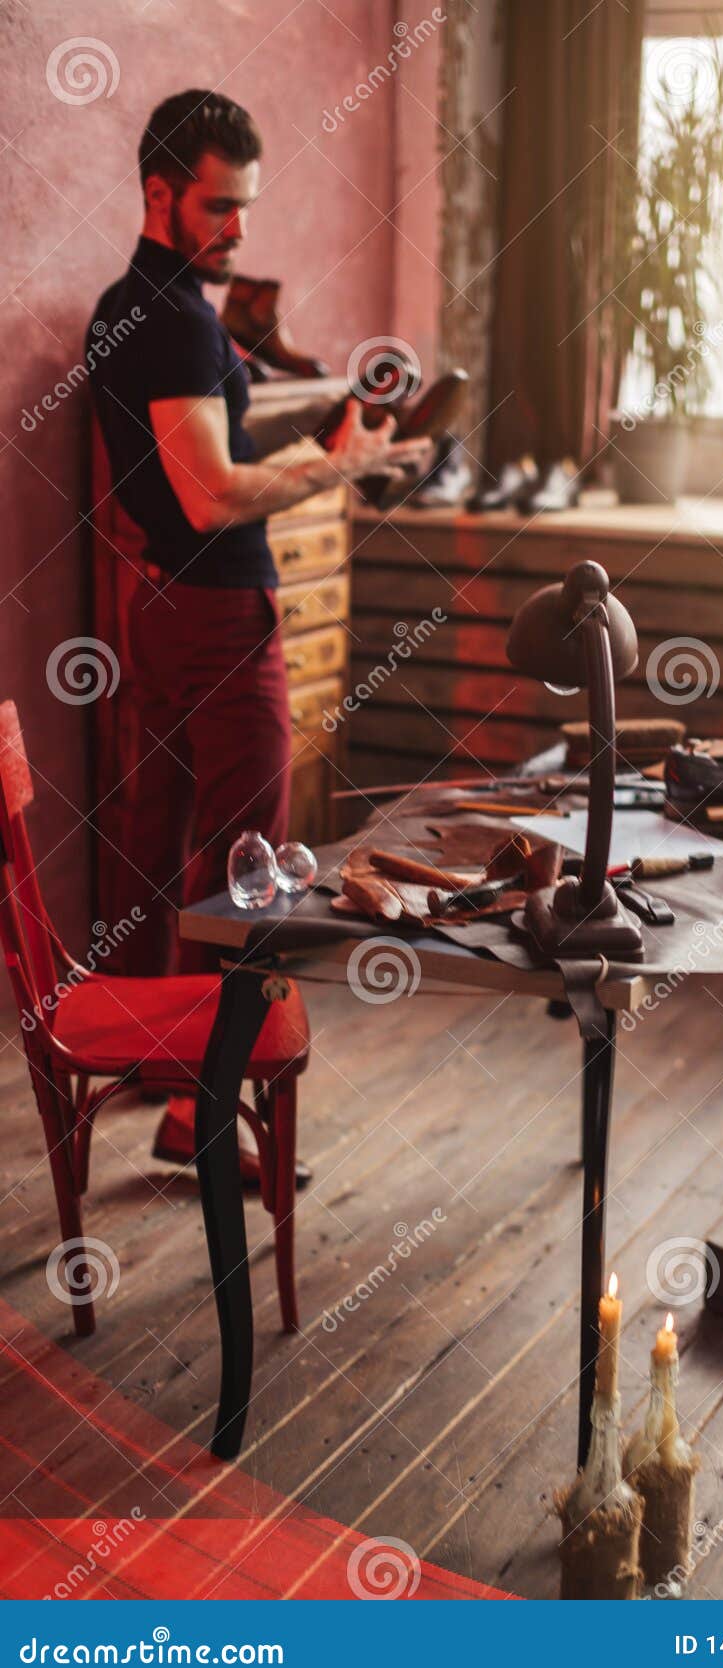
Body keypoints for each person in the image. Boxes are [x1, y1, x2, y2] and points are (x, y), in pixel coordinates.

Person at [88, 88, 428, 1177]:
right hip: (221, 617)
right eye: (217, 206)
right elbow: (209, 495)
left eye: (244, 206)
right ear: (157, 194)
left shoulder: (127, 306)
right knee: (250, 876)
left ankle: (151, 1055)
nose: (238, 227)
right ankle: (202, 1114)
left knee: (162, 849)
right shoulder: (179, 320)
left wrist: (312, 432)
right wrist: (350, 461)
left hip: (162, 611)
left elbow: (189, 469)